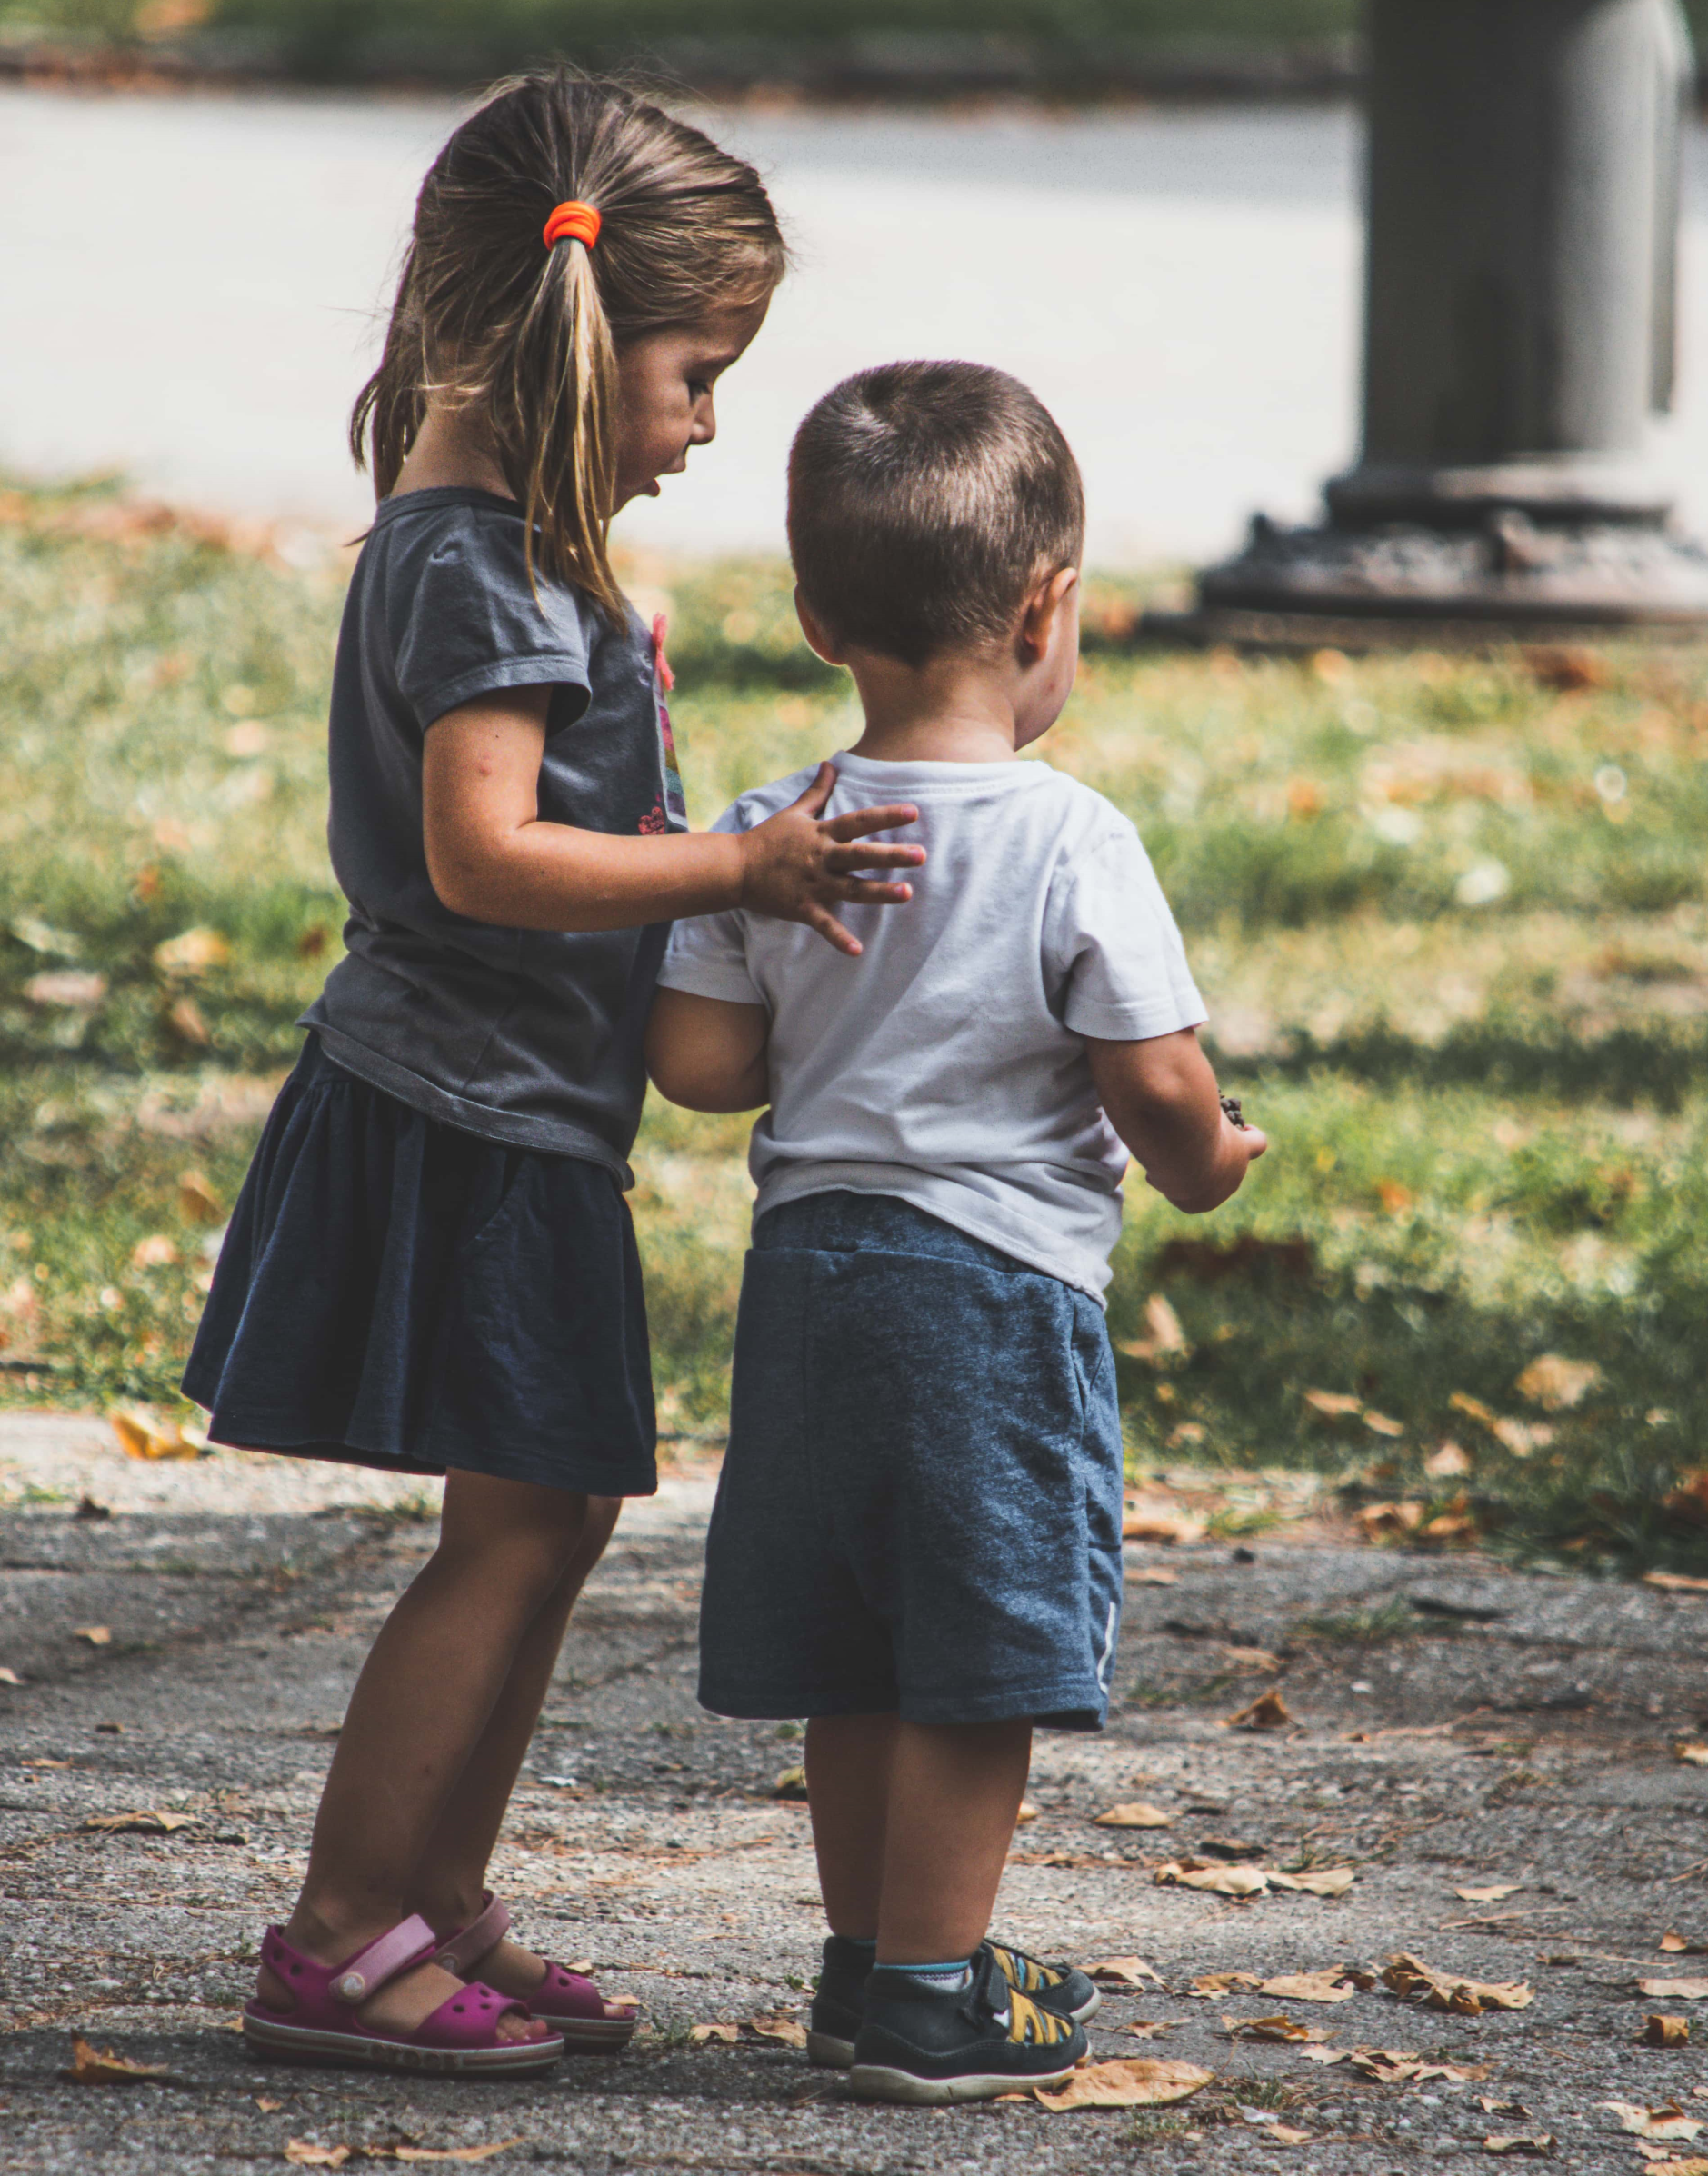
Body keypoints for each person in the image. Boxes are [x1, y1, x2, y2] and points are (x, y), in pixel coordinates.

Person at [182, 75, 925, 2079]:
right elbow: (482, 854)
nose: (706, 424)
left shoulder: (500, 549)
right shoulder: (484, 570)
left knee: (555, 1515)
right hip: (466, 1115)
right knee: (509, 1534)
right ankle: (345, 1931)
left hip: (514, 1113)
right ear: (583, 338)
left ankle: (436, 1898)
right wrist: (744, 864)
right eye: (699, 374)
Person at [646, 360, 1267, 2105]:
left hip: (811, 1281)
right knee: (981, 1648)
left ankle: (868, 1961)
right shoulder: (1076, 839)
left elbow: (701, 1069)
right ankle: (934, 1990)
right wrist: (1210, 1161)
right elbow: (1153, 1079)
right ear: (1046, 605)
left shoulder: (771, 827)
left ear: (819, 613)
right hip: (991, 1300)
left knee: (854, 1637)